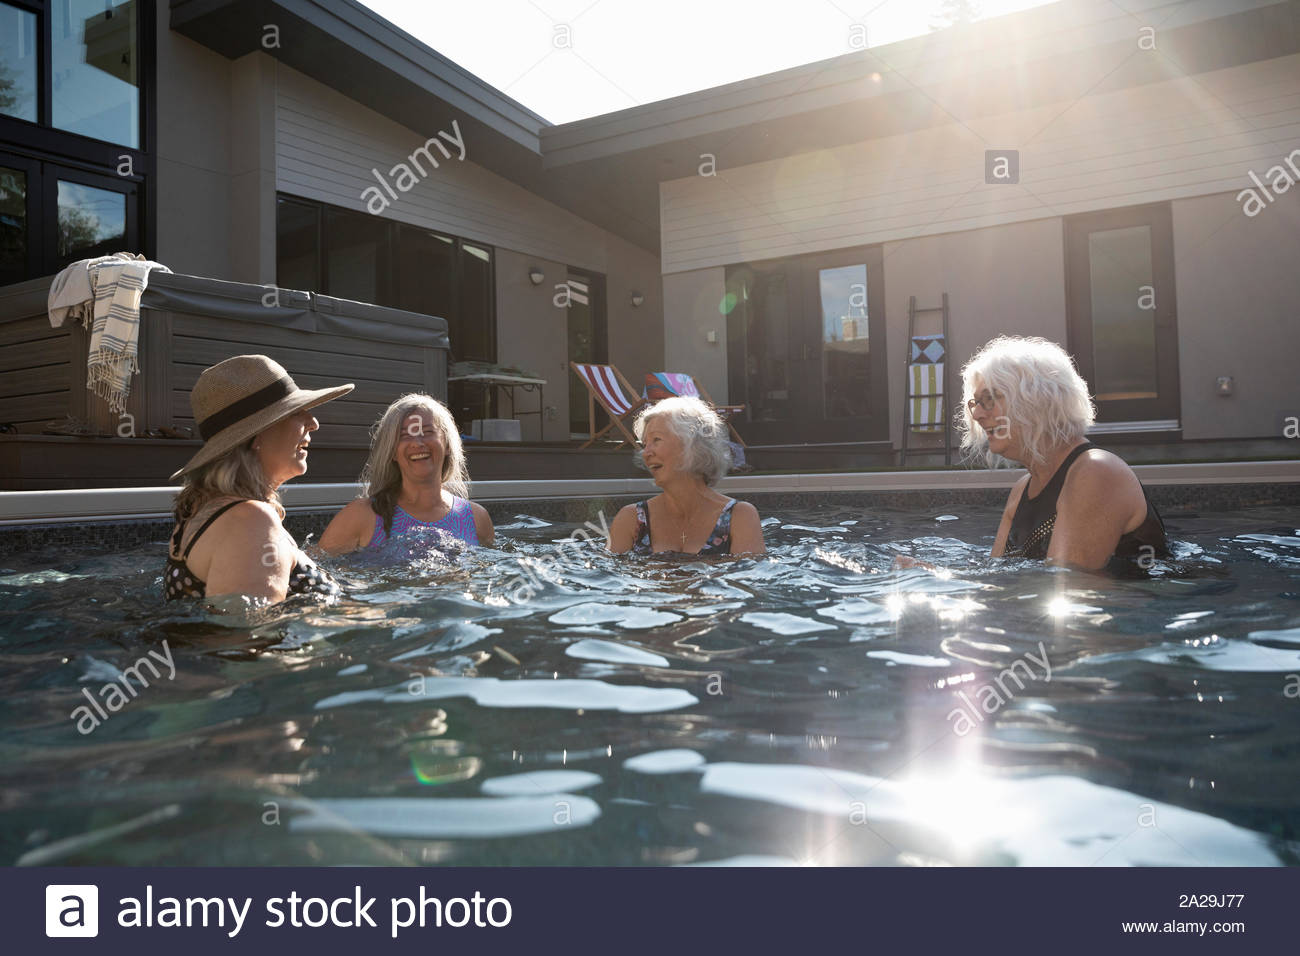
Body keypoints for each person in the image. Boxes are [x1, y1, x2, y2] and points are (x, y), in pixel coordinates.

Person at [958, 335, 1168, 571]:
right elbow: (994, 578)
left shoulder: (1096, 472)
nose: (976, 415)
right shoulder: (1021, 491)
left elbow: (1065, 585)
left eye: (989, 399)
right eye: (975, 402)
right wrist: (923, 571)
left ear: (1037, 400)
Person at [164, 354, 352, 603]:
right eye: (296, 411)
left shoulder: (208, 510)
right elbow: (248, 637)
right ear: (257, 436)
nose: (313, 423)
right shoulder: (250, 522)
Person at [320, 394, 493, 554]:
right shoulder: (361, 516)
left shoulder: (477, 519)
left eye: (427, 432)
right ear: (392, 451)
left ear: (447, 444)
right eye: (404, 436)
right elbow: (309, 572)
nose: (417, 443)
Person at [608, 396, 765, 556]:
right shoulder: (630, 520)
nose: (646, 453)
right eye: (644, 444)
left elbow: (747, 579)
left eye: (656, 440)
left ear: (692, 446)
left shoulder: (740, 517)